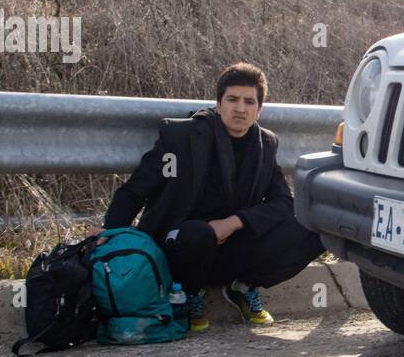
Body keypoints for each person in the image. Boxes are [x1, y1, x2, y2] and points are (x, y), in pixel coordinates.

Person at [96, 62, 324, 332]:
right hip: (178, 244)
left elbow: (283, 203)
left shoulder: (265, 144)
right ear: (218, 104)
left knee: (315, 229)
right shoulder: (181, 138)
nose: (240, 108)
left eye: (249, 101)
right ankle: (188, 293)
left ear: (259, 109)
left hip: (229, 246)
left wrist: (234, 222)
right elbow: (135, 190)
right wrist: (111, 233)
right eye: (232, 99)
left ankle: (242, 287)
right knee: (199, 234)